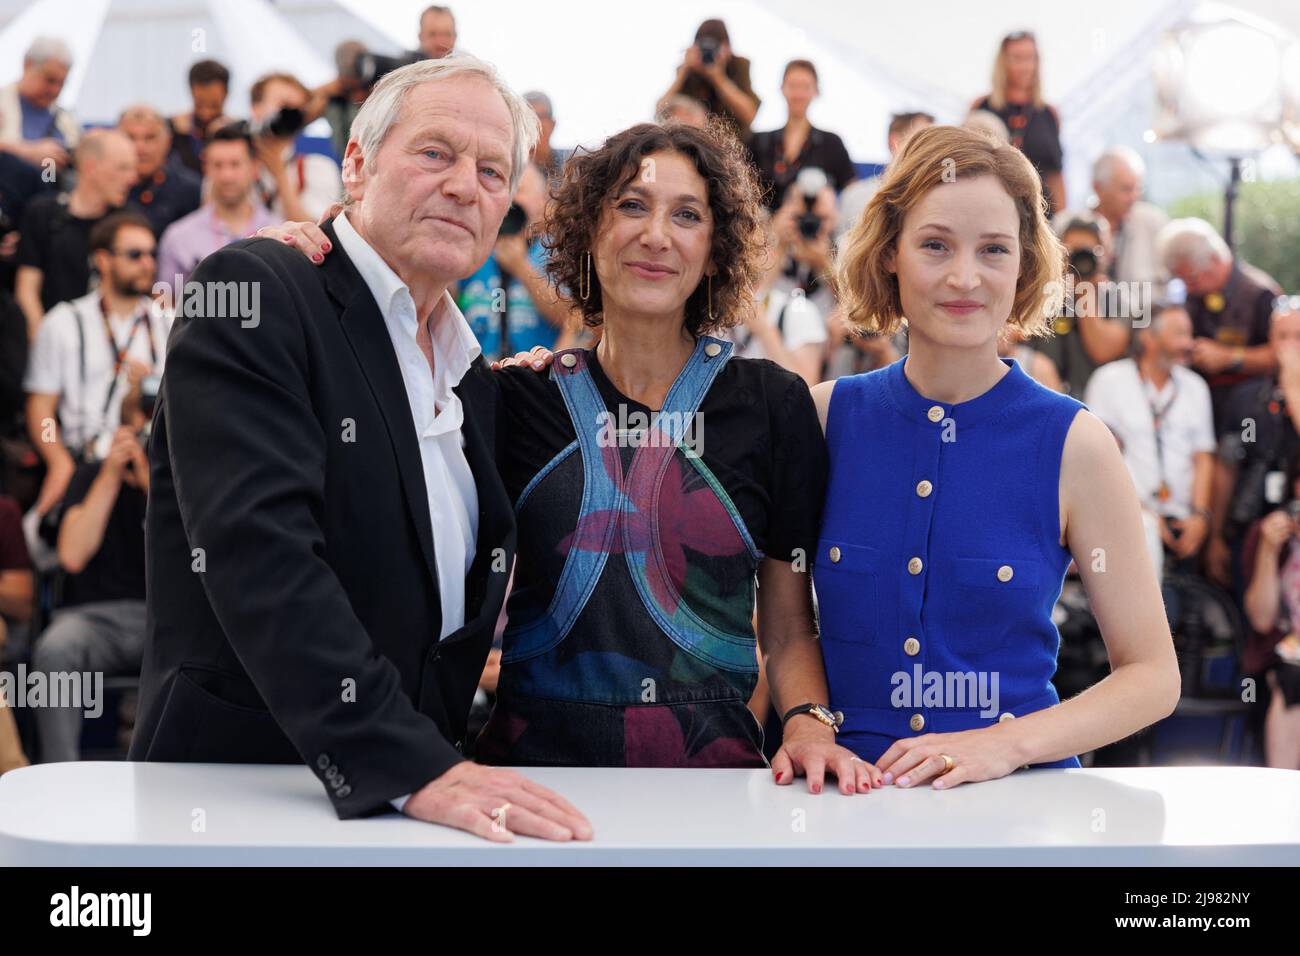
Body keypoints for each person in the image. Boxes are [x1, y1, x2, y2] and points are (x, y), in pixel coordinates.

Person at [271, 119, 880, 794]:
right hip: (525, 782)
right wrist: (311, 263)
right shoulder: (512, 398)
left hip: (714, 791)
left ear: (716, 248)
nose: (656, 235)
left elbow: (791, 624)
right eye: (631, 206)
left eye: (687, 214)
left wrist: (808, 725)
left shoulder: (772, 404)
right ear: (589, 232)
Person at [130, 55, 591, 844]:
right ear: (355, 163)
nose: (463, 186)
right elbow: (261, 557)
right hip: (238, 809)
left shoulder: (478, 381)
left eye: (491, 170)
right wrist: (412, 766)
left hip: (417, 818)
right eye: (435, 153)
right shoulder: (258, 292)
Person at [816, 124, 1179, 787]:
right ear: (889, 252)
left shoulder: (1075, 441)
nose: (965, 277)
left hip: (1018, 810)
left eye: (993, 250)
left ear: (1024, 264)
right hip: (843, 803)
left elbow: (1153, 675)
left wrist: (1007, 744)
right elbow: (780, 627)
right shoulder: (825, 416)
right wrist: (805, 720)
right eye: (935, 245)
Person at [31, 383, 152, 762]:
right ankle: (59, 773)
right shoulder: (90, 476)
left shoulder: (182, 482)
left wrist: (154, 483)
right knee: (54, 649)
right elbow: (71, 556)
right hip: (94, 622)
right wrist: (110, 477)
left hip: (163, 621)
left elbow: (191, 551)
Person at [24, 211, 169, 520]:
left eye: (151, 253)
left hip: (149, 468)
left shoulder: (169, 321)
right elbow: (41, 409)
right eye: (135, 254)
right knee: (38, 536)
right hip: (85, 466)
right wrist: (57, 459)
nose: (148, 262)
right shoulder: (63, 321)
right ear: (102, 260)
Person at [1084, 303, 1215, 577]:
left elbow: (1203, 457)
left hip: (1181, 521)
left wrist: (1201, 517)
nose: (1188, 344)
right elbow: (1096, 460)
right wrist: (1144, 514)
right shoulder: (1109, 381)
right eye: (1179, 334)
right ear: (1148, 337)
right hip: (1128, 518)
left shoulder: (1195, 387)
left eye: (1189, 334)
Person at [1207, 301, 1300, 589]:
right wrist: (1216, 536)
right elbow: (1229, 466)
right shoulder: (1249, 398)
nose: (1288, 346)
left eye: (1297, 337)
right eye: (1281, 337)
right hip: (1251, 528)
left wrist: (1293, 387)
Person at [1158, 217, 1277, 435]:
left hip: (1250, 410)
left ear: (1214, 260)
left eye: (1192, 278)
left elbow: (1284, 355)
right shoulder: (1191, 294)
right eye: (1180, 280)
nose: (1188, 287)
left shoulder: (1259, 294)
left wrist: (1230, 357)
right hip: (1201, 406)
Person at [14, 129, 137, 338]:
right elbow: (27, 290)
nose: (132, 178)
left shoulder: (129, 224)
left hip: (113, 344)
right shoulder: (43, 213)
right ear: (90, 167)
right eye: (123, 168)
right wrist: (43, 342)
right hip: (54, 341)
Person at [457, 163, 568, 362]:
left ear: (542, 201)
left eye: (519, 191)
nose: (511, 201)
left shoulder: (556, 253)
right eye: (503, 190)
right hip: (478, 376)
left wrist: (521, 268)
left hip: (534, 376)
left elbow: (571, 319)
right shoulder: (472, 250)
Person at [156, 124, 278, 287]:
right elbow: (166, 304)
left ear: (255, 168)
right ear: (206, 168)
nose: (226, 176)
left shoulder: (279, 233)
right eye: (217, 165)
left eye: (235, 164)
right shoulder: (178, 237)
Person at [1240, 452, 1300, 769]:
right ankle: (1289, 795)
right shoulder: (1271, 533)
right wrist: (1267, 551)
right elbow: (1262, 620)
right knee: (1292, 681)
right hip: (1283, 661)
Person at [971, 31, 1066, 214]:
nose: (1025, 67)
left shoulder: (1048, 113)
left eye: (1030, 58)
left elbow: (1056, 174)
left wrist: (1062, 221)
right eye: (1017, 58)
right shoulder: (981, 107)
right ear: (1003, 62)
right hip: (992, 209)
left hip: (1040, 214)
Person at [748, 60, 856, 211]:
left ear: (816, 91)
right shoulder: (759, 141)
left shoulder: (831, 143)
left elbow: (852, 192)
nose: (798, 94)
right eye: (792, 86)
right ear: (782, 88)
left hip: (815, 229)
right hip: (764, 228)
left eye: (805, 87)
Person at [249, 72, 343, 222]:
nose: (289, 116)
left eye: (297, 110)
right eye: (283, 105)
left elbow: (316, 231)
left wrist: (280, 175)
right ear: (255, 108)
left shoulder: (318, 167)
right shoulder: (233, 162)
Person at [657, 19, 760, 141]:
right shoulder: (688, 70)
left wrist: (719, 78)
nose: (708, 53)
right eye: (703, 46)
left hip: (730, 144)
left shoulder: (738, 65)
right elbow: (660, 110)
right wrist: (683, 72)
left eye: (713, 47)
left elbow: (749, 114)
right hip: (693, 141)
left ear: (727, 47)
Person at [119, 104, 202, 237]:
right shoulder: (104, 189)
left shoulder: (191, 189)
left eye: (150, 138)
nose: (140, 147)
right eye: (131, 138)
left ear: (167, 142)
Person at [0, 37, 79, 170]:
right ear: (27, 65)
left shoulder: (66, 119)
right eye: (50, 80)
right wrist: (27, 151)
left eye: (62, 83)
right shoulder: (3, 102)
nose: (55, 90)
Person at [168, 59, 233, 175]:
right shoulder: (172, 130)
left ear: (226, 94)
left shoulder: (237, 133)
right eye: (200, 104)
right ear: (191, 92)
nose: (206, 113)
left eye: (214, 106)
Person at [523, 91, 569, 185]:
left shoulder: (571, 165)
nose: (535, 123)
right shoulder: (509, 168)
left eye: (541, 117)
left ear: (552, 124)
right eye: (528, 117)